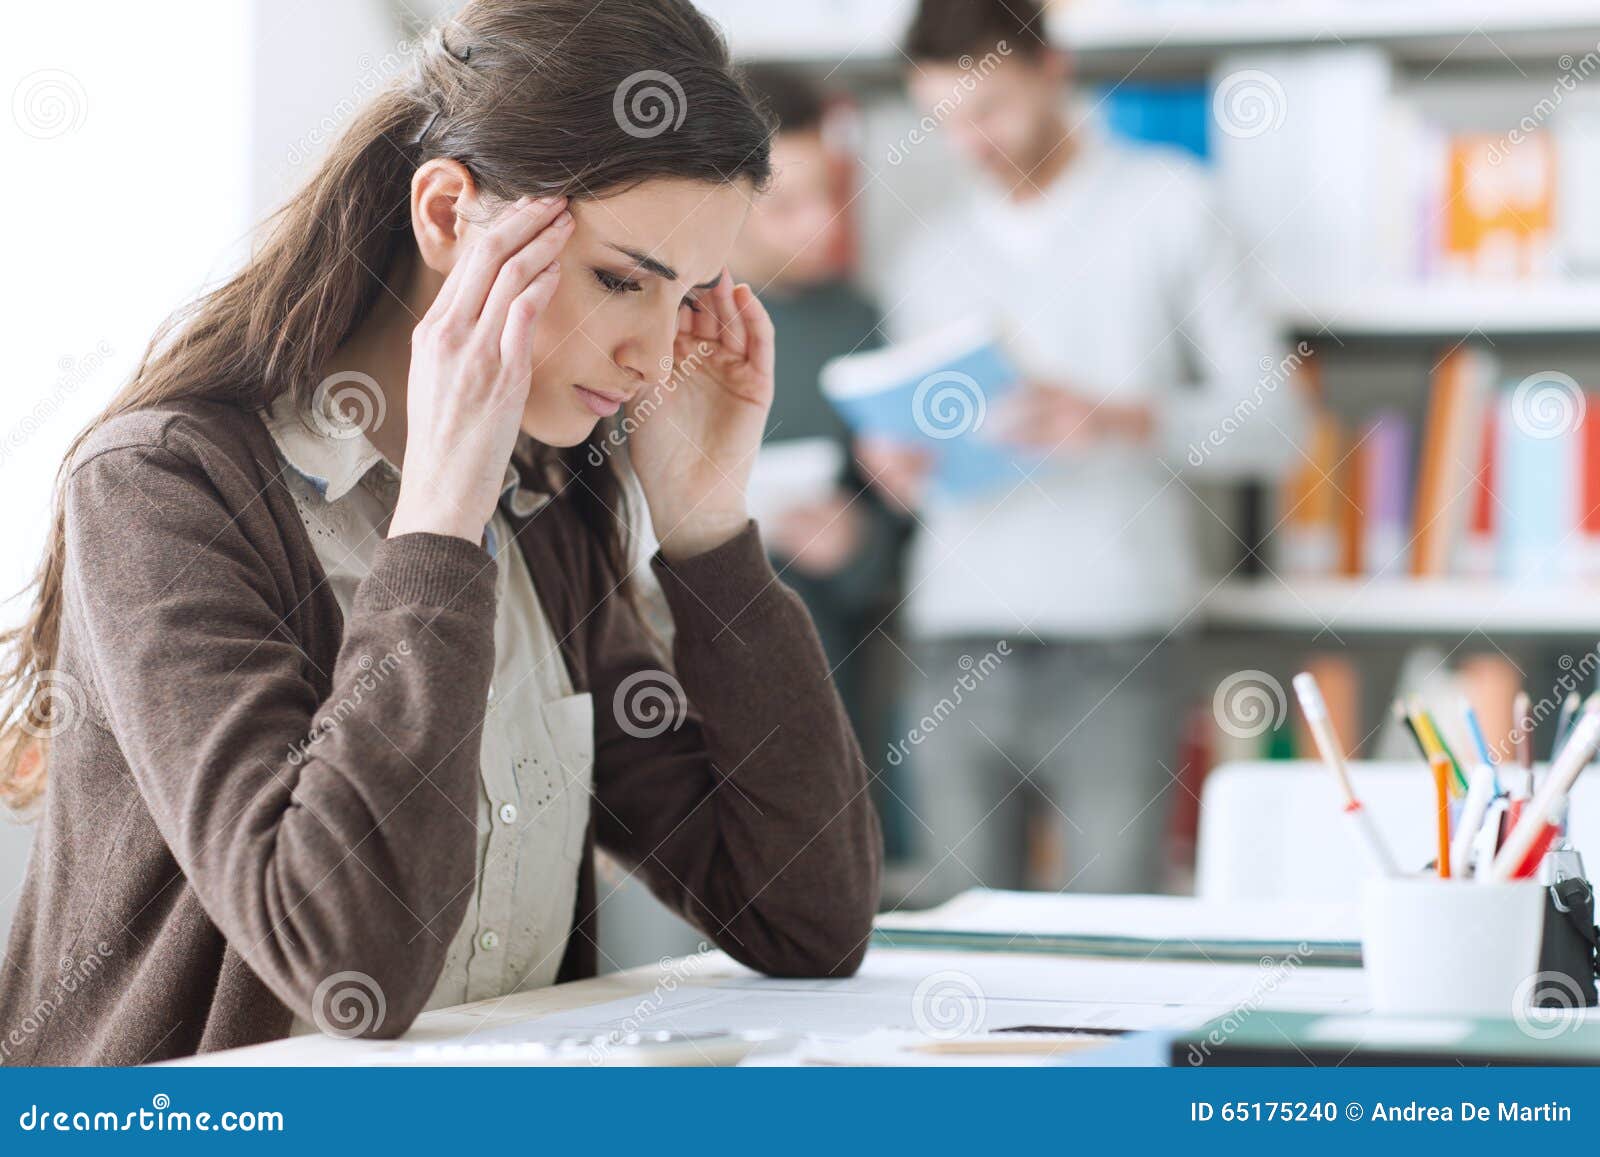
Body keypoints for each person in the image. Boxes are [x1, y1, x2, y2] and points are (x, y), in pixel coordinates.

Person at [0, 0, 881, 1066]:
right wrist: (440, 522)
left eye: (687, 298)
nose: (656, 357)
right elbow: (345, 966)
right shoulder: (166, 486)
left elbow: (806, 920)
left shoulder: (550, 500)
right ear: (448, 211)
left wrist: (707, 534)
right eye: (619, 279)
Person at [867, 0, 1302, 899]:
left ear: (1053, 70)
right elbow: (918, 451)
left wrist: (1117, 419)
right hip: (953, 639)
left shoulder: (1174, 204)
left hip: (1119, 643)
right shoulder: (928, 253)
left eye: (991, 112)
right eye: (945, 120)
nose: (970, 144)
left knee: (1113, 954)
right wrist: (898, 467)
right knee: (955, 950)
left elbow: (1278, 424)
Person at [732, 66, 908, 788]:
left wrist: (856, 544)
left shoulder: (858, 326)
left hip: (820, 687)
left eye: (830, 195)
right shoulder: (646, 319)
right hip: (662, 686)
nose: (823, 224)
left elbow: (900, 521)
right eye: (788, 205)